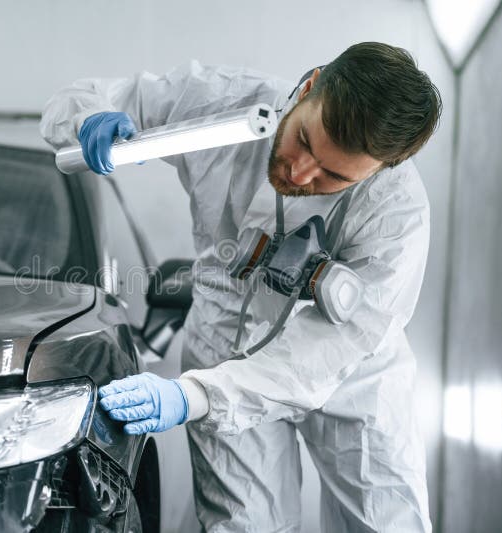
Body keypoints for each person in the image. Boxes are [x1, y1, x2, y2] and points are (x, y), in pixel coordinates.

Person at [40, 42, 442, 533]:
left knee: (387, 522)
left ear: (381, 169)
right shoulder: (222, 103)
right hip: (222, 340)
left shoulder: (395, 218)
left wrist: (193, 396)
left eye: (334, 176)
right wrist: (89, 121)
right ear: (308, 87)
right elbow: (76, 99)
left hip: (349, 375)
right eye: (305, 141)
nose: (300, 172)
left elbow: (323, 355)